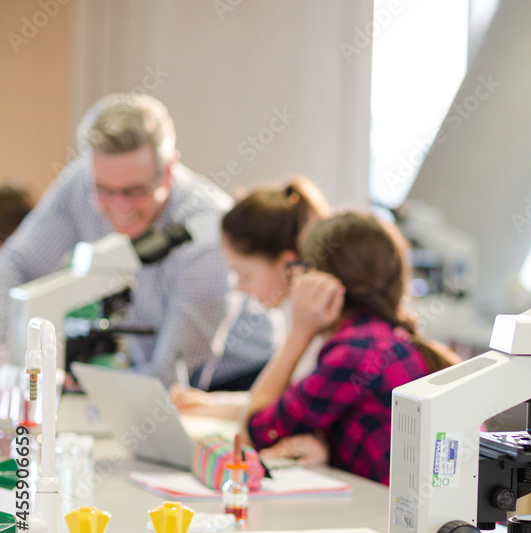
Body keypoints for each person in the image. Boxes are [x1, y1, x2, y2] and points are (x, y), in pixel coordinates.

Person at [0, 93, 272, 387]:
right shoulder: (80, 182)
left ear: (167, 173)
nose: (120, 207)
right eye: (104, 190)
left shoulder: (206, 235)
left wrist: (89, 390)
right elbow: (17, 266)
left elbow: (170, 377)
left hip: (233, 381)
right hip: (149, 368)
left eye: (134, 191)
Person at [243, 210, 460, 484]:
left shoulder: (355, 352)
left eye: (302, 271)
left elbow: (256, 430)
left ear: (323, 284)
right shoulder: (385, 339)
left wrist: (299, 333)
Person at [171, 177, 330, 418]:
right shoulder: (308, 312)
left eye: (244, 274)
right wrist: (209, 405)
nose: (239, 287)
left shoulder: (319, 323)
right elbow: (278, 397)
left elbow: (269, 415)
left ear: (287, 264)